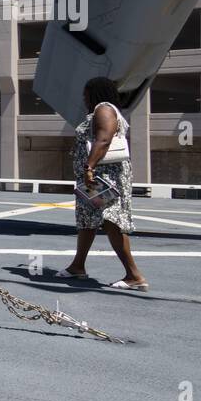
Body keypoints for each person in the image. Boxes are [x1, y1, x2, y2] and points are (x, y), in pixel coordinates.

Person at [60, 77, 148, 290]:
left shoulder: (104, 109)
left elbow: (104, 139)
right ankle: (77, 266)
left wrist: (89, 167)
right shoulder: (102, 110)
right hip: (96, 176)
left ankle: (134, 275)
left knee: (111, 221)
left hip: (103, 176)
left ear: (95, 93)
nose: (84, 97)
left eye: (86, 93)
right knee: (87, 218)